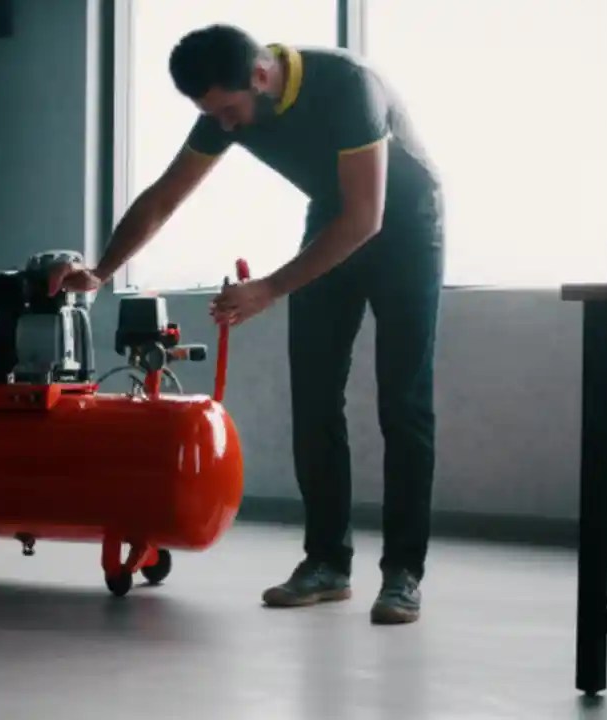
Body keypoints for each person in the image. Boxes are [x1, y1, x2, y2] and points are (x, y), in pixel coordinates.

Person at [49, 24, 443, 623]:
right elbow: (163, 197)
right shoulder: (225, 106)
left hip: (405, 226)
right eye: (214, 115)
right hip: (333, 218)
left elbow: (367, 218)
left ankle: (403, 574)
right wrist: (102, 271)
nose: (225, 126)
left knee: (403, 403)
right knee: (314, 398)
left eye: (230, 111)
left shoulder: (347, 87)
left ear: (261, 77)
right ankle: (327, 564)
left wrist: (270, 287)